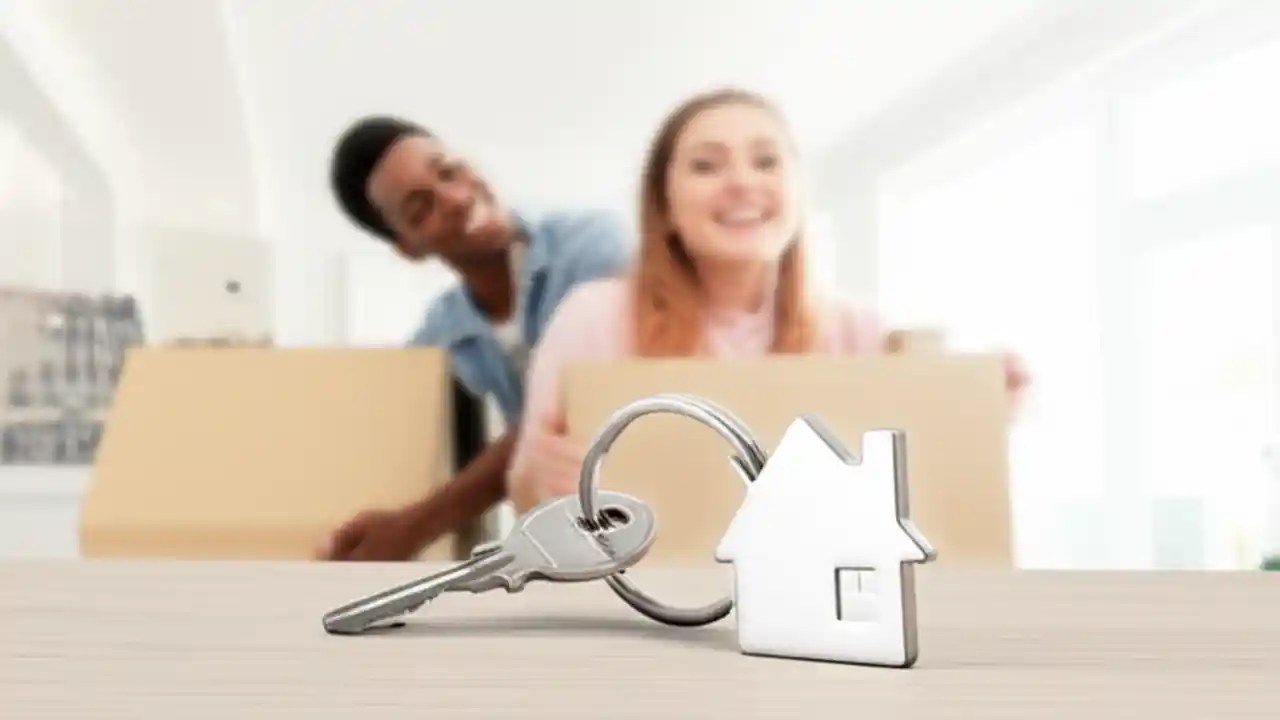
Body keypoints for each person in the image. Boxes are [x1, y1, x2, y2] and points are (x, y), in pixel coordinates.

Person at [506, 88, 1030, 511]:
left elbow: (912, 492)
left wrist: (980, 411)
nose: (741, 183)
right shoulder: (594, 316)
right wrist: (541, 478)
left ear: (797, 191)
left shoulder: (858, 331)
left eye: (765, 161)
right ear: (664, 204)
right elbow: (526, 489)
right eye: (707, 166)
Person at [318, 116, 632, 559]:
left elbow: (562, 411)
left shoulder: (592, 244)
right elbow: (399, 437)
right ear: (408, 248)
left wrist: (414, 526)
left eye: (448, 171)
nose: (456, 198)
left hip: (646, 514)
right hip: (567, 543)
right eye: (419, 208)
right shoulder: (441, 336)